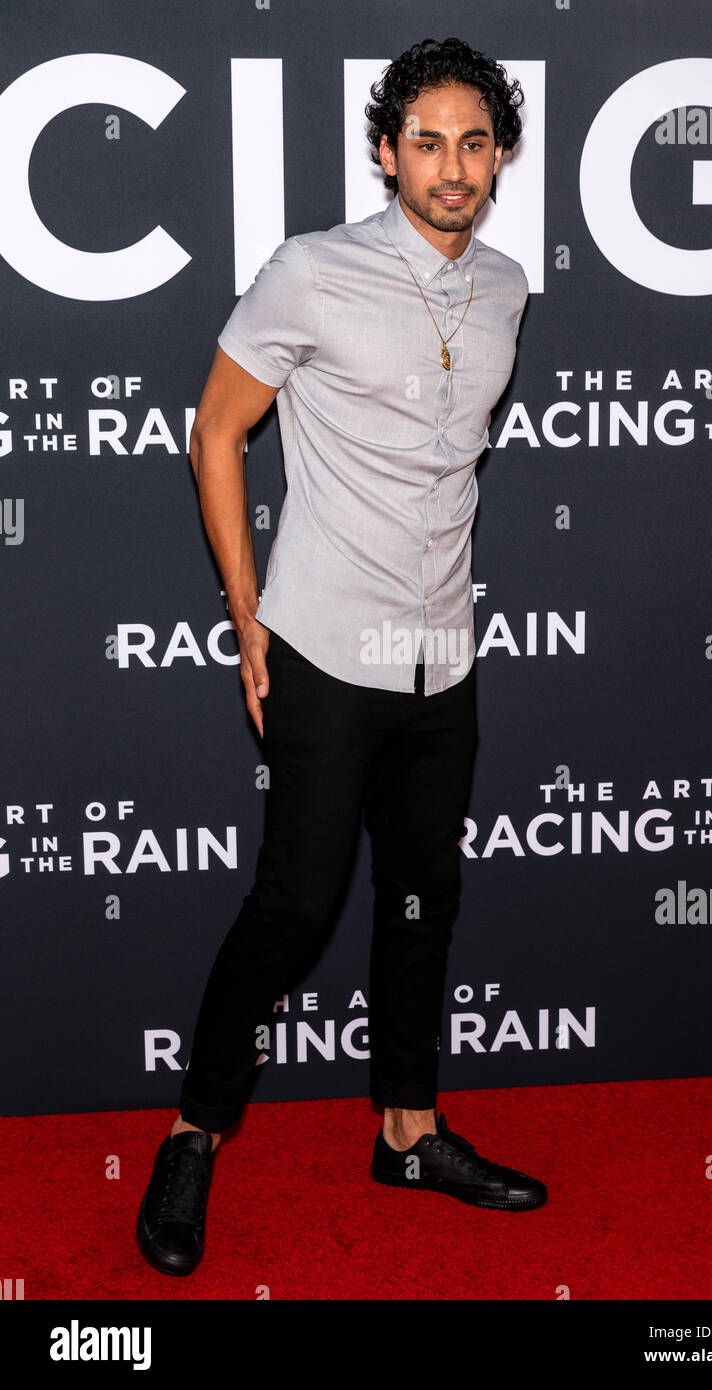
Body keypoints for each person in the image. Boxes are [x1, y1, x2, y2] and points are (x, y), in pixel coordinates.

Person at [137, 35, 547, 1279]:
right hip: (320, 645)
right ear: (386, 152)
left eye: (474, 141)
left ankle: (408, 1132)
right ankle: (196, 1128)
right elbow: (216, 431)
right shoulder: (309, 272)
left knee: (424, 903)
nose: (452, 165)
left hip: (443, 653)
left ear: (500, 156)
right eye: (427, 139)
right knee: (298, 903)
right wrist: (247, 618)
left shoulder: (510, 285)